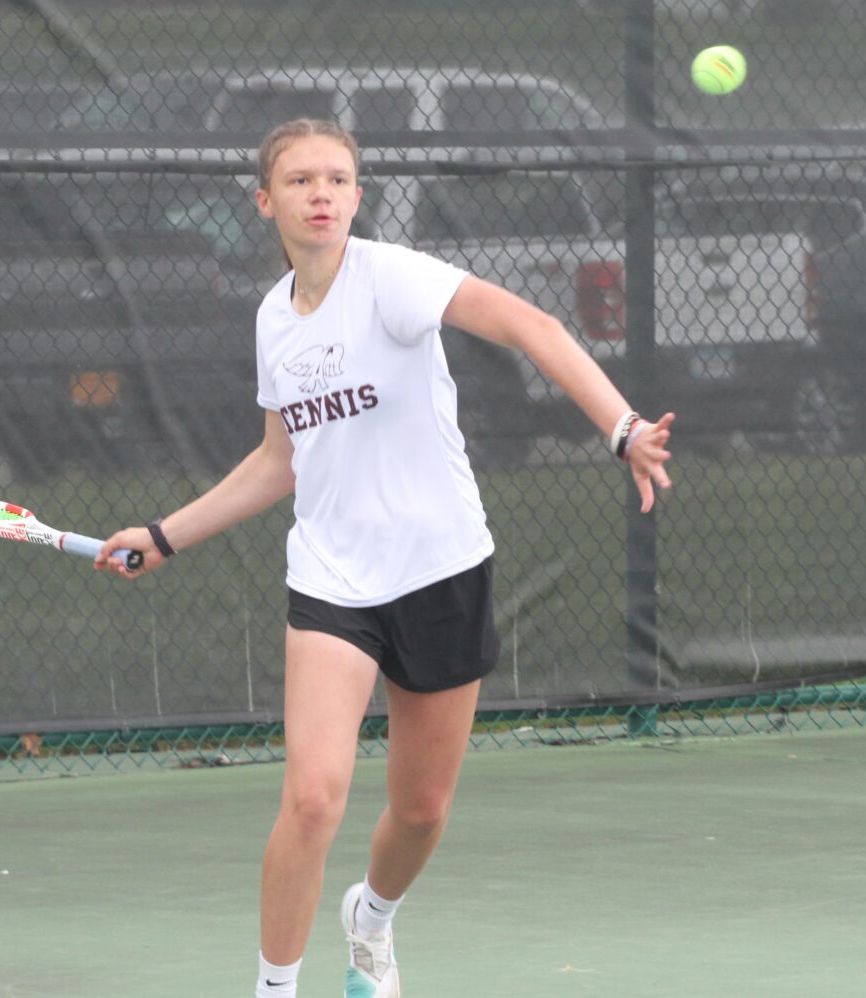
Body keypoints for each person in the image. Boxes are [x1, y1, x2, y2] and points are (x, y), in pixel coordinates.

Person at [95, 118, 674, 998]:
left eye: (336, 179)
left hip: (442, 569)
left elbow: (530, 325)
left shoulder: (392, 279)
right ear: (265, 202)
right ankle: (276, 989)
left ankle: (370, 920)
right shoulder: (272, 321)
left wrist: (622, 425)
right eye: (299, 181)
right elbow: (278, 460)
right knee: (314, 797)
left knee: (420, 810)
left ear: (358, 197)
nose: (320, 193)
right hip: (332, 580)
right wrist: (166, 533)